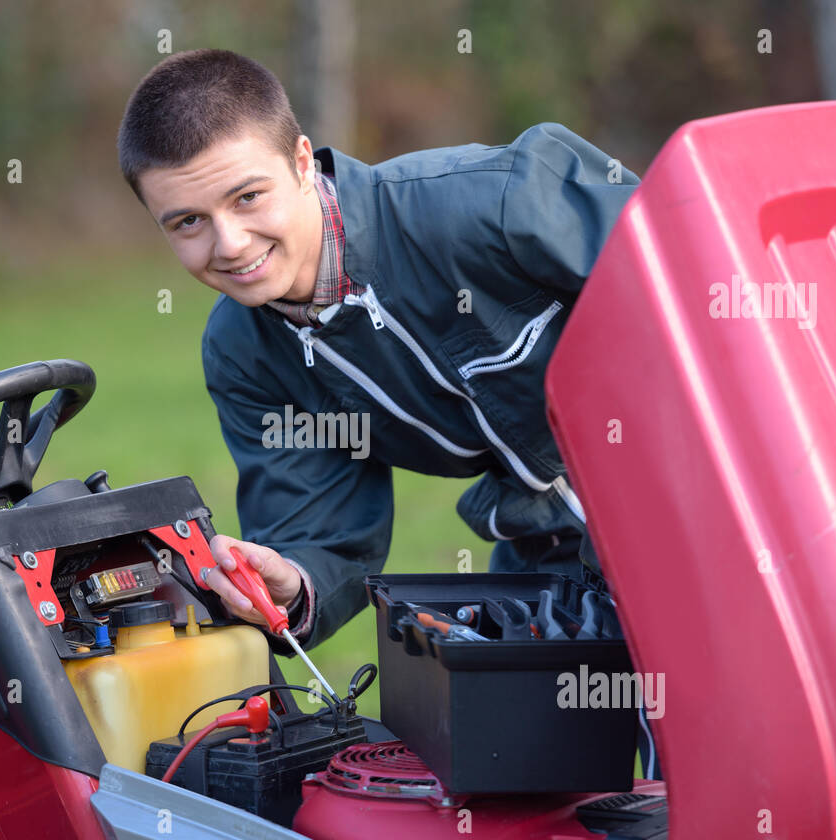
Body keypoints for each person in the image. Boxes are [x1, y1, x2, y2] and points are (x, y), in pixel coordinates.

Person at [117, 49, 659, 777]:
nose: (230, 244)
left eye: (248, 197)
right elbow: (322, 532)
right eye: (187, 221)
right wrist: (295, 579)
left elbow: (696, 273)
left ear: (302, 160)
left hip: (698, 515)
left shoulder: (493, 200)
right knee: (532, 791)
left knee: (715, 783)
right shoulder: (244, 352)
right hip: (548, 555)